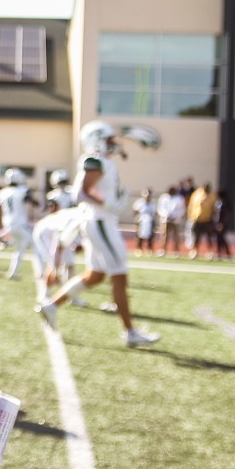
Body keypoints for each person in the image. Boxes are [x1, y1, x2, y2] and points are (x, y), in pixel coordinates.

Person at [36, 132, 161, 347]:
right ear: (97, 140)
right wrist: (107, 204)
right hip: (101, 221)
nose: (114, 144)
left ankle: (52, 305)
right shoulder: (95, 160)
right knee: (119, 275)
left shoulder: (103, 161)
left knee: (95, 276)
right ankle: (130, 332)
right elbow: (81, 193)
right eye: (109, 140)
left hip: (100, 221)